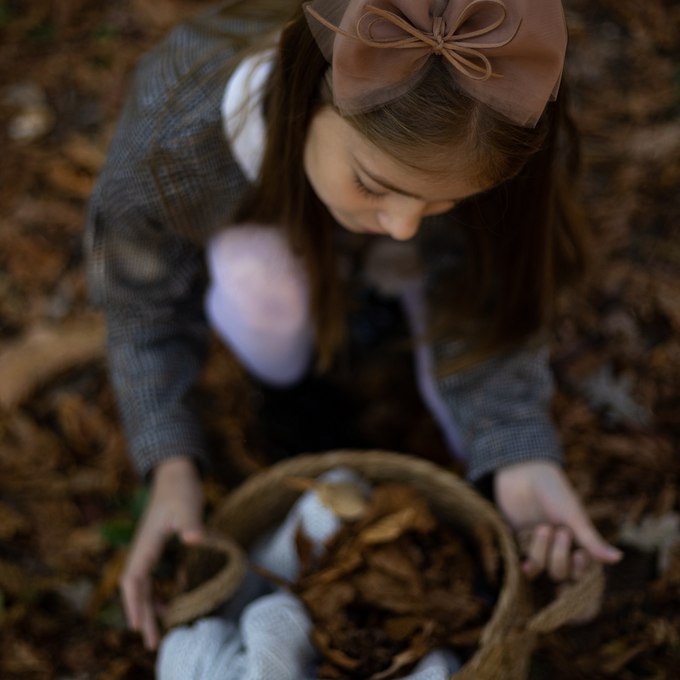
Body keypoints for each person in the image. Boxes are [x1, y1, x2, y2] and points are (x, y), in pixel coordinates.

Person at [85, 0, 623, 651]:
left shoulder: (506, 114)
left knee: (428, 260)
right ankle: (294, 382)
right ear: (306, 99)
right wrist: (169, 460)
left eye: (448, 199)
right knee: (260, 279)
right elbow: (142, 303)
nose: (404, 222)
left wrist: (518, 449)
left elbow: (489, 289)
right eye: (373, 184)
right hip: (269, 235)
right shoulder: (175, 133)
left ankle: (392, 314)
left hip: (398, 257)